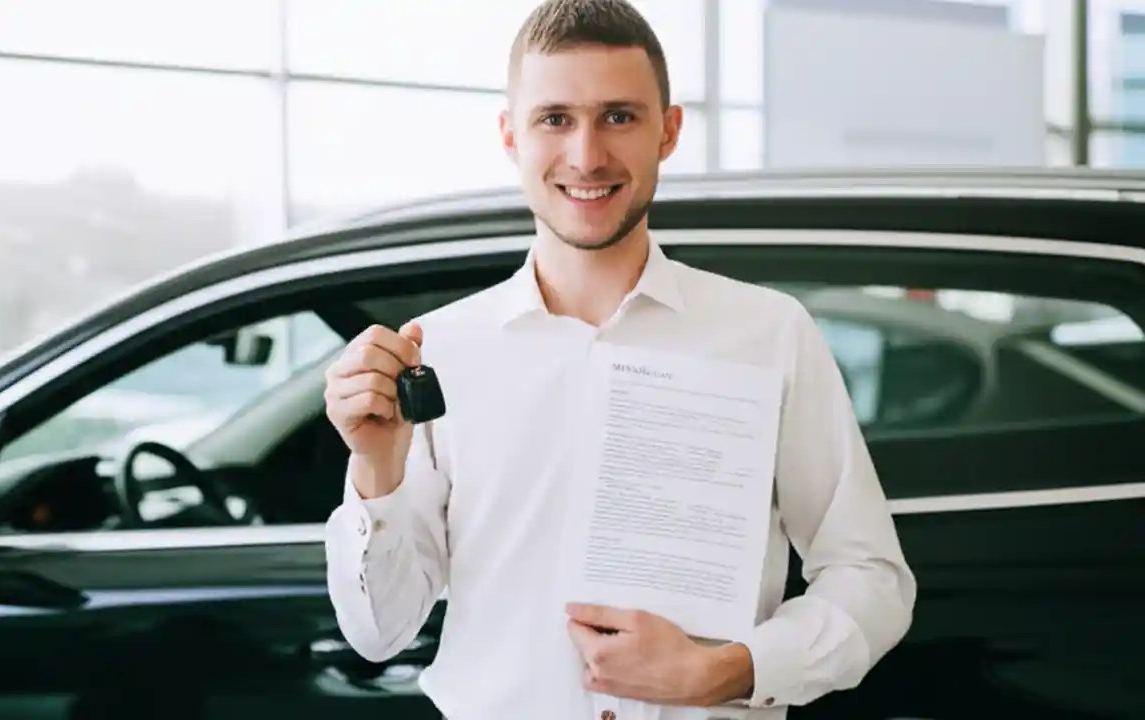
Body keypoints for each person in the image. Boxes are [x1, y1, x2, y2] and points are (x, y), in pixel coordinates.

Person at [322, 1, 916, 718]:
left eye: (619, 117)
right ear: (511, 135)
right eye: (555, 119)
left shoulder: (770, 333)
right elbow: (379, 633)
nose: (586, 155)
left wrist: (730, 670)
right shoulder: (439, 353)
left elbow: (870, 578)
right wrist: (376, 471)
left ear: (669, 130)